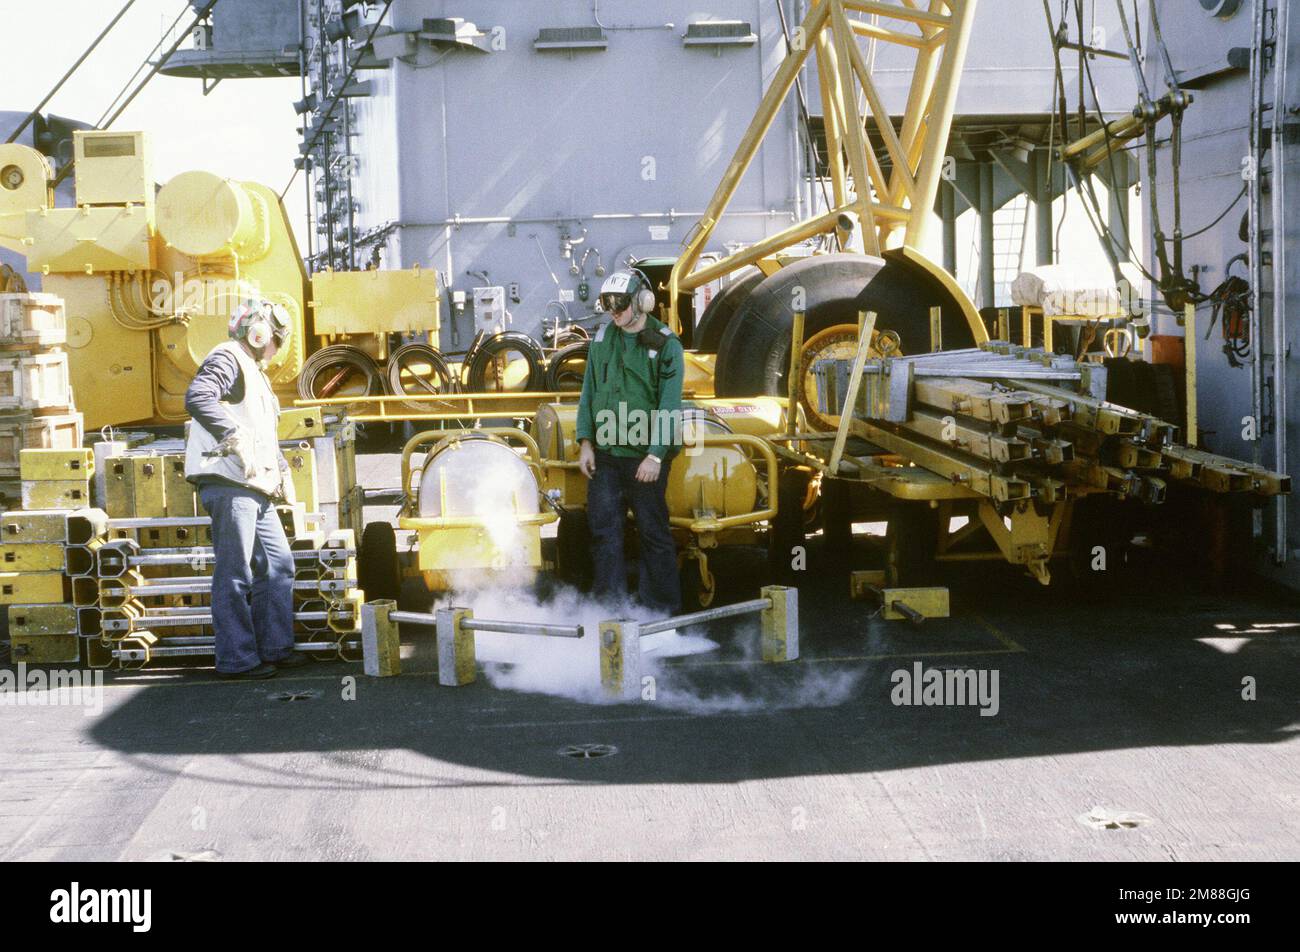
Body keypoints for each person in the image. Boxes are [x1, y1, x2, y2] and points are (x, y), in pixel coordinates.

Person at [184, 300, 302, 680]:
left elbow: (259, 432)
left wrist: (280, 469)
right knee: (235, 573)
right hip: (230, 483)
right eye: (275, 341)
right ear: (260, 333)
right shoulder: (228, 356)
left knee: (278, 566)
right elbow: (199, 397)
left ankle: (274, 648)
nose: (276, 349)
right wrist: (230, 434)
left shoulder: (253, 371)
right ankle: (237, 659)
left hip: (255, 485)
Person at [575, 269, 684, 616]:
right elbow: (589, 391)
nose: (613, 312)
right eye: (608, 304)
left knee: (654, 533)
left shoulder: (666, 344)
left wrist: (655, 456)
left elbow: (670, 405)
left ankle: (661, 612)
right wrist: (586, 442)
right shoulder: (603, 337)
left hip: (645, 458)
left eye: (620, 304)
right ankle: (610, 613)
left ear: (642, 302)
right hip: (606, 455)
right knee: (604, 534)